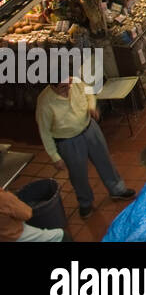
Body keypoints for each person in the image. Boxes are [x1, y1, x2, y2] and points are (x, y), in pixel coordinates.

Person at [36, 81, 135, 218]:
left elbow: (90, 94)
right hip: (68, 141)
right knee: (78, 174)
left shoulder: (75, 81)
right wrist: (55, 156)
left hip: (90, 128)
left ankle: (117, 189)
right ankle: (85, 202)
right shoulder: (44, 103)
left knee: (105, 161)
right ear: (52, 86)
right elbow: (44, 132)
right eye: (63, 87)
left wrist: (91, 106)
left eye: (69, 83)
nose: (68, 88)